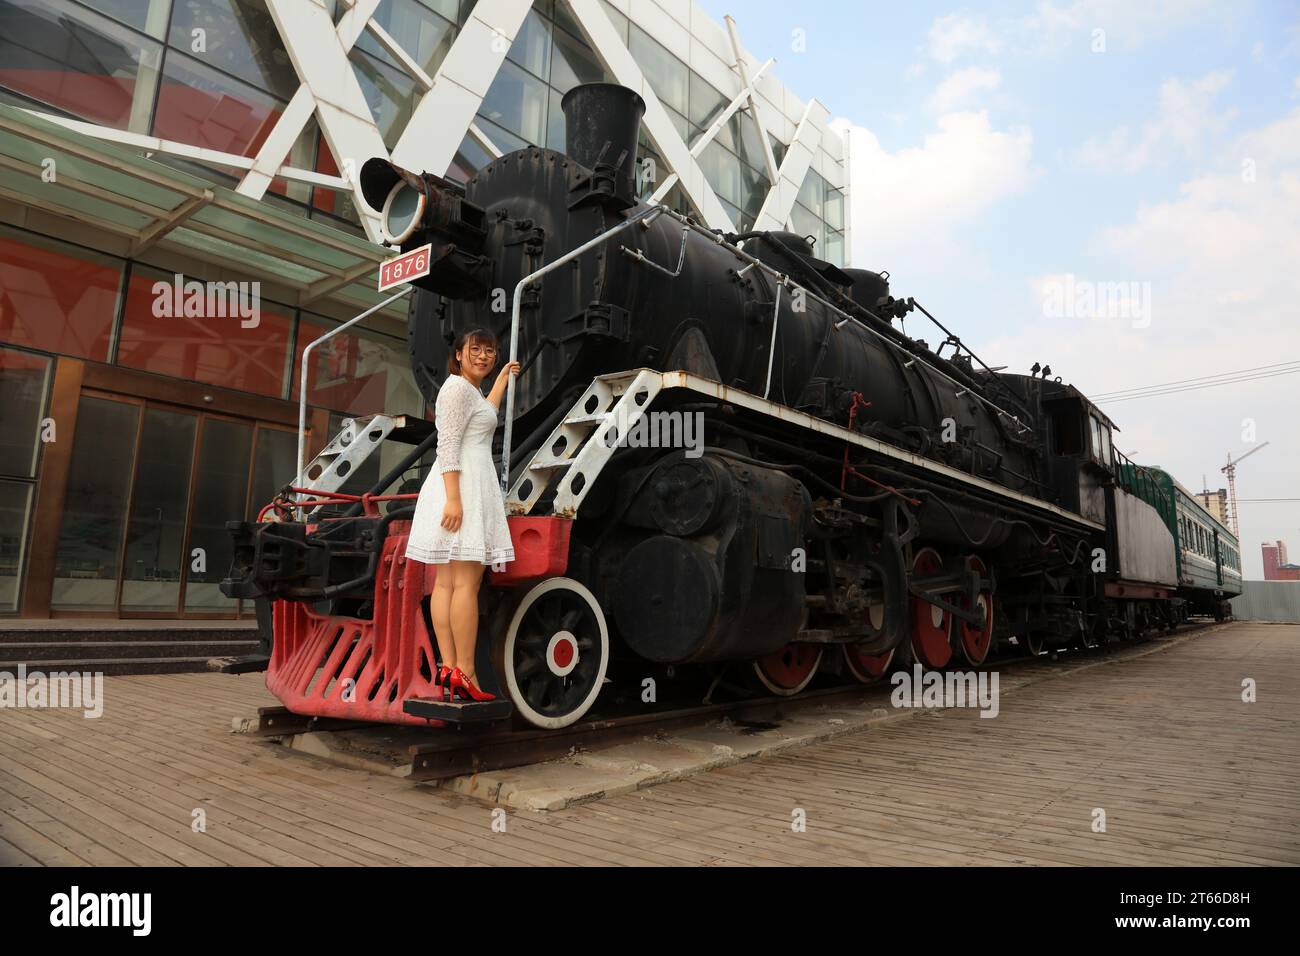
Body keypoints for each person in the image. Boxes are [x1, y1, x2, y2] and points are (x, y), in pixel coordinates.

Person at [406, 328, 519, 701]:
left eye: (490, 351)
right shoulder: (456, 390)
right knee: (463, 586)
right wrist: (454, 500)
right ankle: (465, 671)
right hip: (461, 488)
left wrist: (501, 379)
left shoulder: (470, 393)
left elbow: (484, 415)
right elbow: (448, 445)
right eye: (476, 349)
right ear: (458, 354)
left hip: (466, 485)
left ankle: (450, 670)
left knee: (447, 584)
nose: (483, 356)